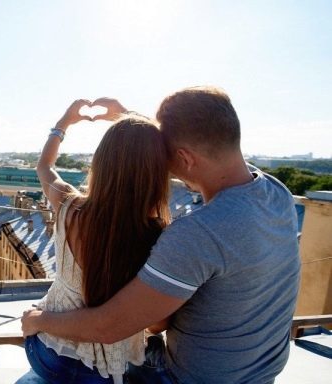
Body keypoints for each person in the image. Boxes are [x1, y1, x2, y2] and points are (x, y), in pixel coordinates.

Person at [22, 87, 301, 384]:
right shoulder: (275, 193)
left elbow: (109, 327)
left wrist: (39, 319)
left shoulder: (195, 235)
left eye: (165, 155)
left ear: (185, 157)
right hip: (259, 375)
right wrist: (130, 119)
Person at [25, 99, 171, 384]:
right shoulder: (160, 236)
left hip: (50, 355)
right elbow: (157, 325)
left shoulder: (70, 207)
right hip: (110, 373)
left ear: (100, 162)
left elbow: (44, 166)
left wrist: (63, 123)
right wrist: (129, 117)